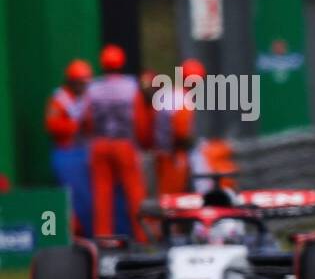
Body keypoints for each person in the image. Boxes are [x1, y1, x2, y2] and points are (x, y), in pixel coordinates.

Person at [85, 44, 150, 241]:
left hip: (100, 143)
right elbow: (139, 120)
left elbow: (88, 120)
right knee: (135, 193)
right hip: (124, 144)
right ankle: (143, 236)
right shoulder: (130, 86)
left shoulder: (93, 88)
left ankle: (103, 239)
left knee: (102, 195)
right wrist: (143, 141)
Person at [44, 59, 95, 236]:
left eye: (85, 83)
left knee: (89, 199)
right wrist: (74, 126)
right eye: (80, 83)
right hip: (66, 154)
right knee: (71, 198)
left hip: (85, 153)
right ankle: (72, 234)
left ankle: (90, 233)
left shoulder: (88, 98)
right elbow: (51, 124)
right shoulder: (60, 98)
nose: (83, 87)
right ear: (71, 82)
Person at [152, 58, 203, 195]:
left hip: (161, 151)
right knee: (173, 196)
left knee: (164, 192)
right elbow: (182, 134)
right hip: (173, 155)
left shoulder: (168, 94)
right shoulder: (184, 100)